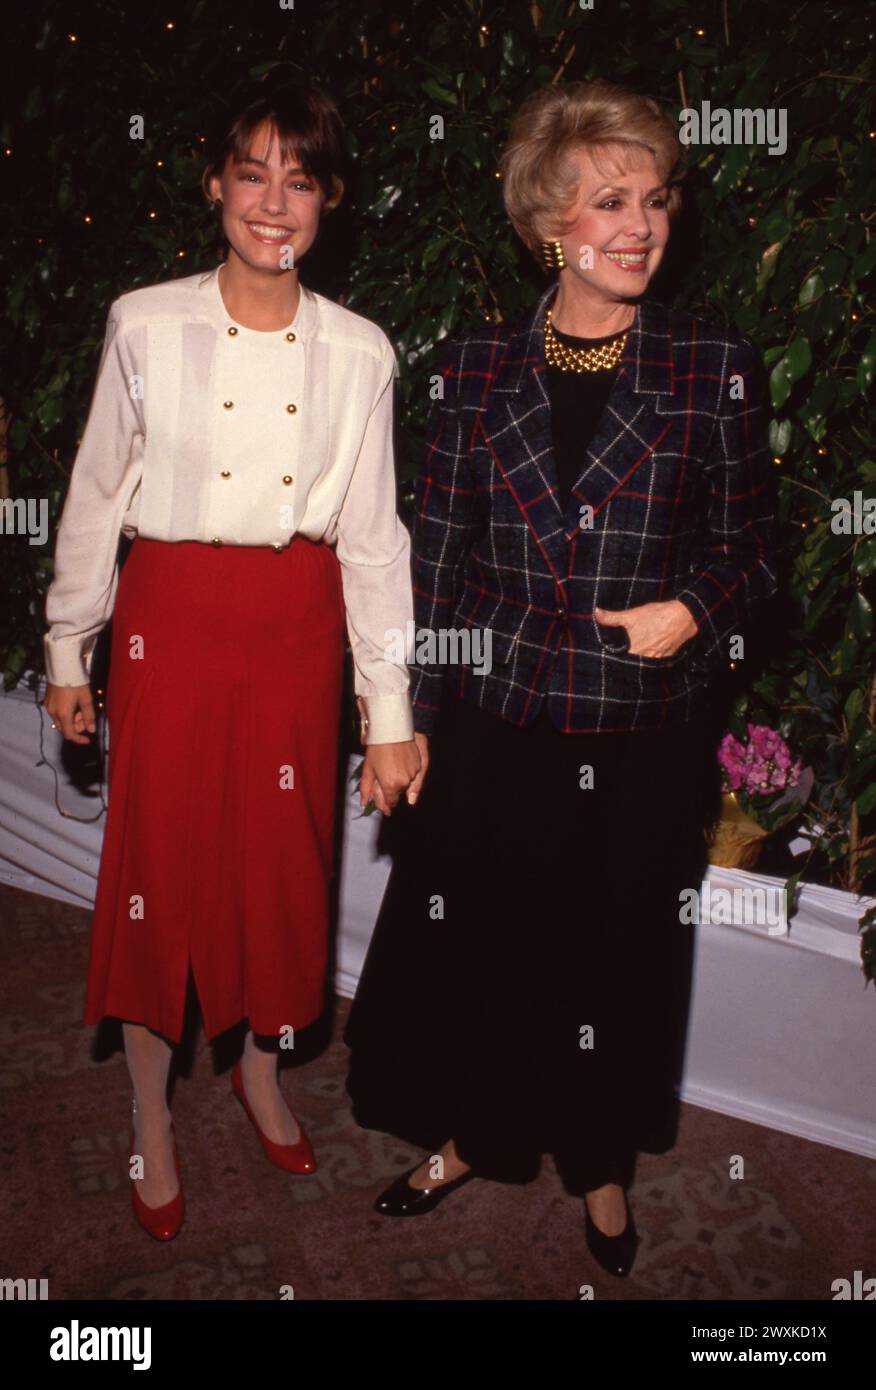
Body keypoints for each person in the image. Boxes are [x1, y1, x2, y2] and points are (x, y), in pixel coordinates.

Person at [344, 78, 779, 1279]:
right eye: (606, 201)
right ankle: (475, 1136)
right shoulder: (474, 366)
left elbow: (756, 555)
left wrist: (691, 611)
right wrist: (404, 720)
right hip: (494, 722)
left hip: (639, 733)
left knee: (613, 959)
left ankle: (599, 1167)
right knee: (483, 948)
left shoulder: (714, 362)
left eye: (653, 198)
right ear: (550, 222)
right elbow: (433, 559)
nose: (638, 225)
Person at [42, 83, 421, 1240]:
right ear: (213, 182)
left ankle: (261, 1067)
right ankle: (150, 1112)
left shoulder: (361, 352)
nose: (272, 201)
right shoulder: (145, 322)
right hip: (171, 612)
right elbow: (99, 492)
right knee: (159, 863)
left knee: (283, 866)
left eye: (298, 180)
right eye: (251, 173)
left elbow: (373, 539)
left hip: (293, 624)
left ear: (328, 201)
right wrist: (71, 644)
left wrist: (390, 704)